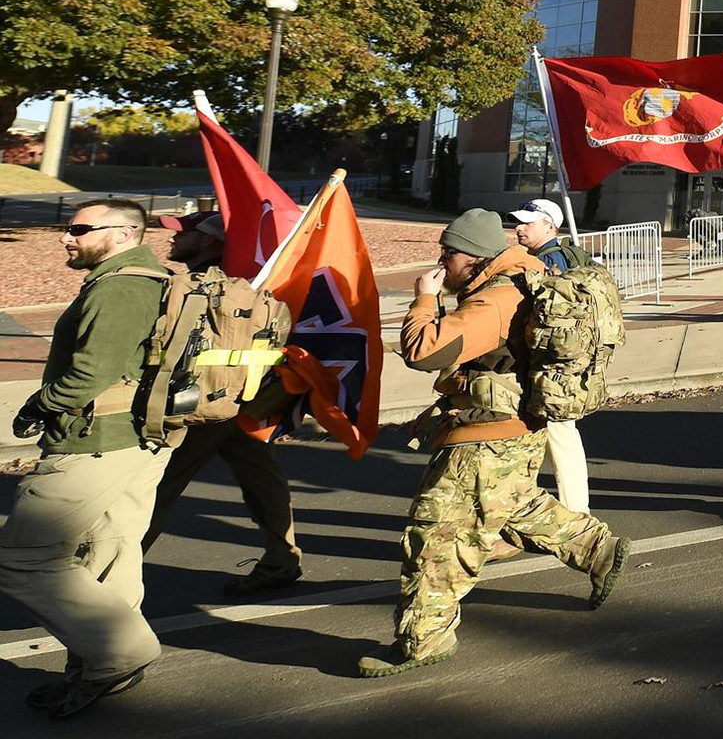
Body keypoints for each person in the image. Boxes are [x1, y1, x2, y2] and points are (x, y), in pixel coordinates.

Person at [357, 209, 630, 677]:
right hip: (510, 426)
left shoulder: (496, 299)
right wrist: (442, 408)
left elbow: (425, 351)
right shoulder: (523, 277)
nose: (442, 263)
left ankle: (424, 640)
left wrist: (423, 299)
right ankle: (596, 548)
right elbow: (491, 366)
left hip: (488, 437)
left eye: (449, 254)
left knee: (438, 534)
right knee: (512, 504)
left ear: (475, 255)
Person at [1, 200, 174, 718]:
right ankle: (102, 665)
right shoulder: (156, 277)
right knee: (111, 551)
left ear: (123, 233)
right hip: (140, 439)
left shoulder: (120, 287)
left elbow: (89, 374)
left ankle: (121, 652)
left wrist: (40, 405)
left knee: (22, 558)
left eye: (78, 229)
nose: (65, 237)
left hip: (96, 440)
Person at [141, 212, 303, 596]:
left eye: (186, 232)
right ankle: (282, 557)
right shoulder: (245, 286)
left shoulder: (205, 289)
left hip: (203, 405)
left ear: (211, 242)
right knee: (258, 472)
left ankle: (108, 576)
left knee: (157, 483)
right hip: (242, 397)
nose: (173, 238)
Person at [506, 198, 593, 515]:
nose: (519, 227)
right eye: (519, 221)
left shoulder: (550, 262)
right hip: (557, 360)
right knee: (549, 433)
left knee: (559, 431)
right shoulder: (553, 257)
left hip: (551, 362)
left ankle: (575, 514)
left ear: (550, 226)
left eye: (527, 222)